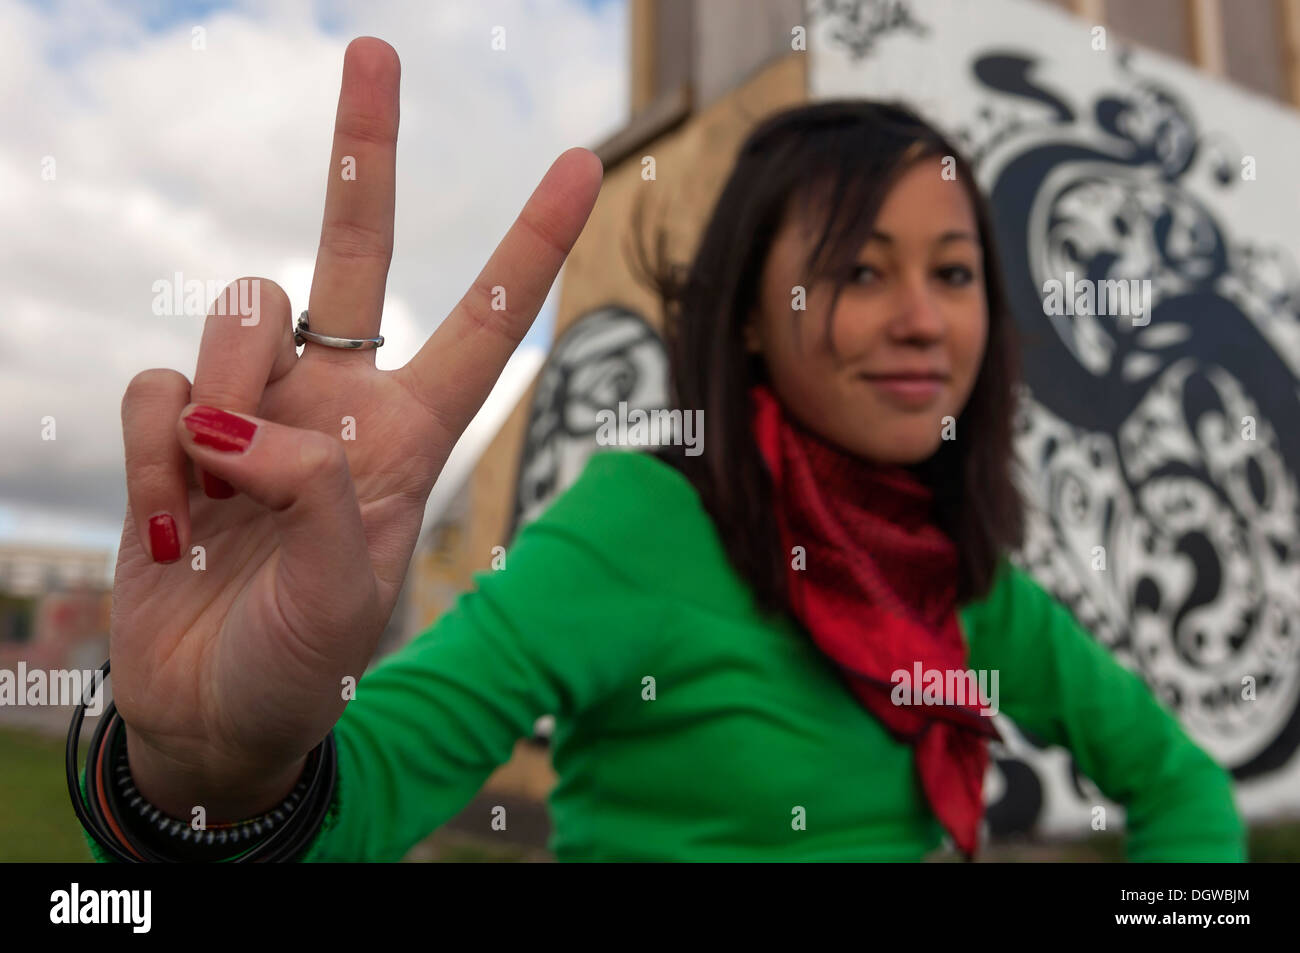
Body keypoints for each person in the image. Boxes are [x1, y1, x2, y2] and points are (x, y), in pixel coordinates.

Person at [76, 37, 1244, 862]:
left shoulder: (956, 571)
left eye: (952, 272)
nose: (923, 320)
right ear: (745, 313)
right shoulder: (636, 523)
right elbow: (364, 801)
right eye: (856, 269)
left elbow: (1180, 781)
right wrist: (207, 773)